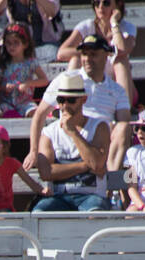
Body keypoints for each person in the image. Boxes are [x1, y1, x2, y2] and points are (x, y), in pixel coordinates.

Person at [31, 34, 131, 172]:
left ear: (106, 55)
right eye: (84, 54)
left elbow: (124, 121)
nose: (87, 59)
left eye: (93, 54)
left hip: (102, 140)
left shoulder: (117, 89)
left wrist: (108, 131)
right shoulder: (66, 80)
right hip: (70, 135)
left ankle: (111, 185)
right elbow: (39, 115)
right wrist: (33, 151)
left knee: (123, 128)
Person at [31, 72, 110, 211]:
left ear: (83, 99)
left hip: (91, 197)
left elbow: (97, 165)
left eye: (71, 100)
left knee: (95, 212)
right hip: (59, 197)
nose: (65, 105)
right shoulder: (49, 132)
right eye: (61, 100)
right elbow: (45, 172)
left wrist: (73, 131)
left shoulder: (99, 126)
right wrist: (84, 166)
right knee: (39, 213)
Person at [57, 0, 137, 107]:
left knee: (121, 61)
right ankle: (68, 103)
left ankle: (124, 109)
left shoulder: (128, 27)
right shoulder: (86, 26)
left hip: (115, 85)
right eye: (96, 3)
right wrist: (91, 51)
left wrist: (114, 22)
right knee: (76, 59)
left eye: (106, 3)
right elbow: (62, 53)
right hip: (91, 84)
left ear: (118, 5)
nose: (100, 7)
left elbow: (122, 49)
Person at [0, 21, 49, 117]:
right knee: (6, 113)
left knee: (34, 112)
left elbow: (44, 80)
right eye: (8, 43)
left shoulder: (31, 63)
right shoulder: (3, 64)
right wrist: (4, 87)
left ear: (25, 44)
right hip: (7, 102)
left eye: (16, 43)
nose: (12, 46)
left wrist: (28, 83)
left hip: (25, 102)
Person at [0, 0, 65, 63]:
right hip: (17, 45)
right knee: (10, 54)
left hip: (44, 43)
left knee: (53, 53)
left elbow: (52, 11)